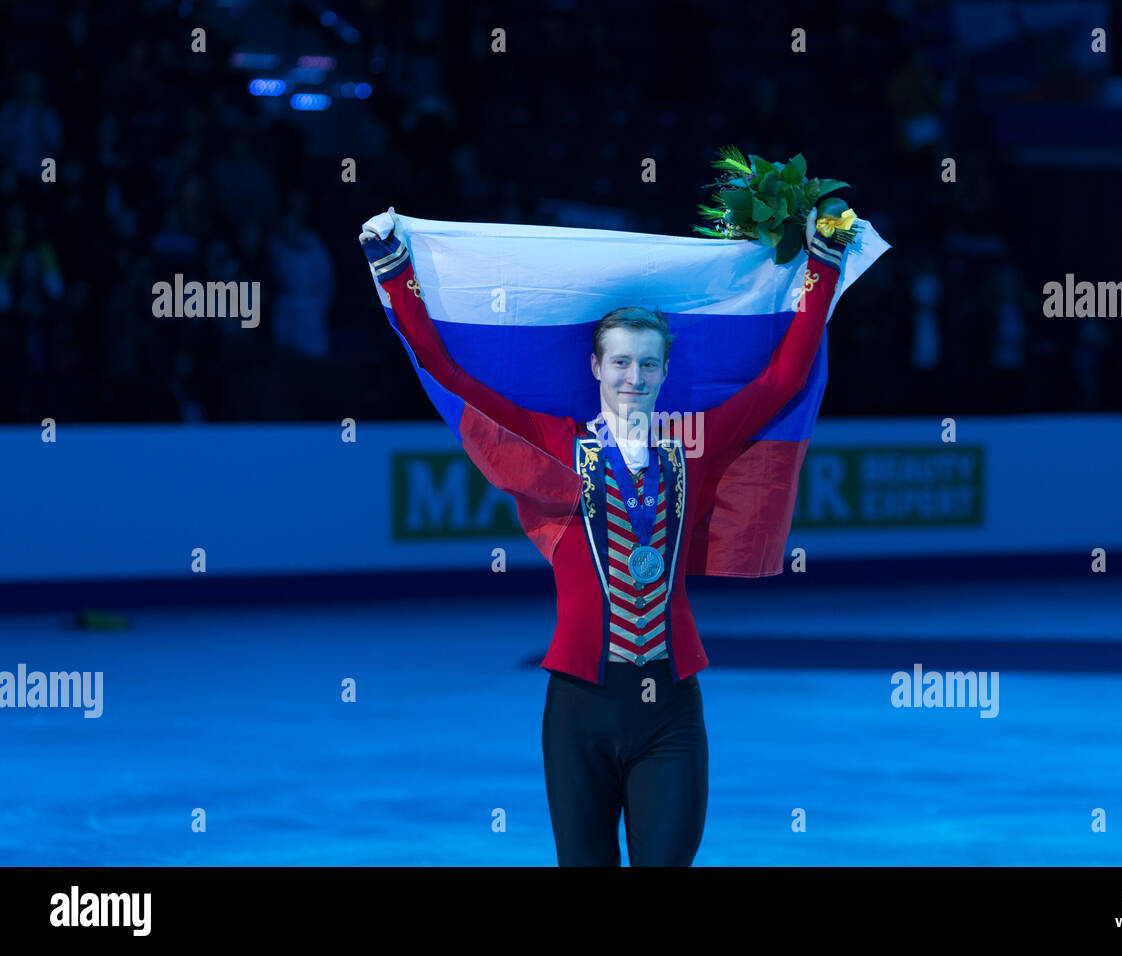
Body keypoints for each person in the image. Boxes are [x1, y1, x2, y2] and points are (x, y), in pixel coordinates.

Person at [359, 209, 851, 865]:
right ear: (596, 366)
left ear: (665, 370)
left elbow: (782, 380)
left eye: (649, 364)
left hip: (671, 711)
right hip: (578, 713)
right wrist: (396, 272)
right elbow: (449, 376)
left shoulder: (692, 446)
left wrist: (822, 264)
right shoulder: (555, 442)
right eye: (621, 362)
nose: (634, 377)